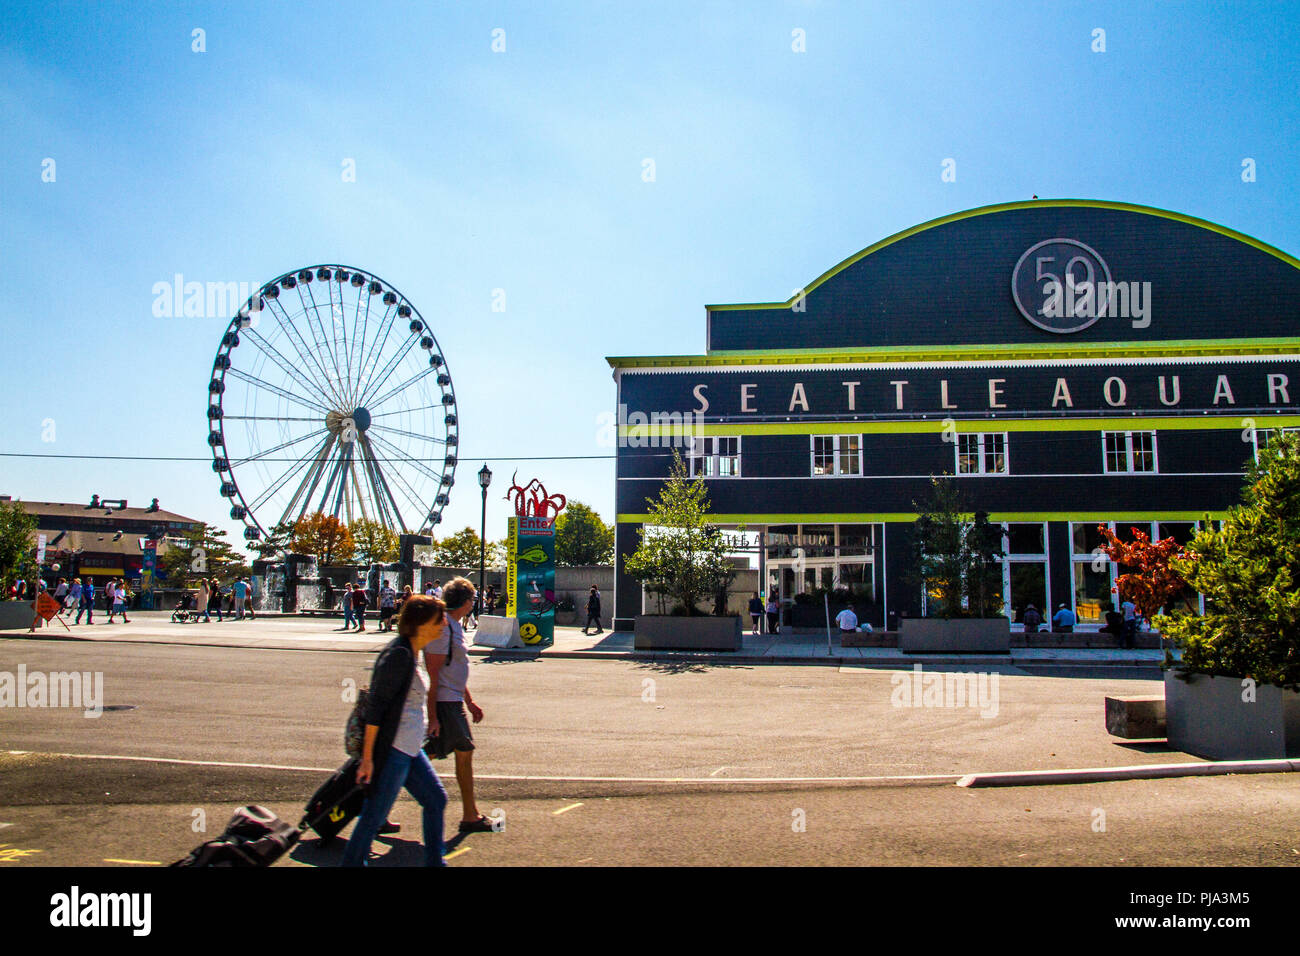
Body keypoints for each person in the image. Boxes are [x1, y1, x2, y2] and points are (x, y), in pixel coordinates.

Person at [341, 594, 450, 867]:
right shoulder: (398, 655)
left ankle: (435, 863)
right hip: (394, 751)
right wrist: (368, 759)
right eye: (439, 620)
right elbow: (376, 711)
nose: (444, 624)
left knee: (436, 799)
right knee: (373, 817)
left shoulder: (413, 650)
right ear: (423, 623)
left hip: (410, 749)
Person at [425, 577, 495, 835]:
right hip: (444, 703)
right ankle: (470, 816)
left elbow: (452, 669)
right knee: (459, 751)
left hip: (452, 700)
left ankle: (470, 814)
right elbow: (434, 674)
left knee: (436, 755)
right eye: (473, 600)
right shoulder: (443, 627)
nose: (473, 604)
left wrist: (470, 701)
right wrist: (433, 716)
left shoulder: (453, 626)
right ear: (466, 602)